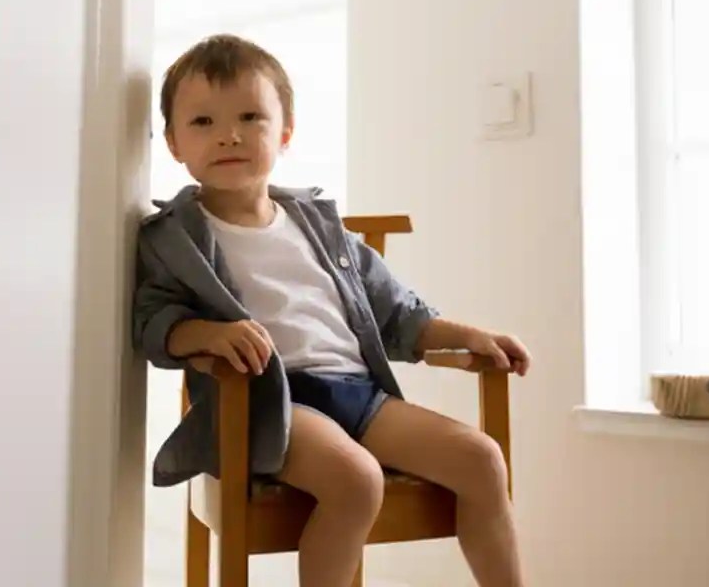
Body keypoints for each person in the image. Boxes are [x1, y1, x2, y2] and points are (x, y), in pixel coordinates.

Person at [133, 34, 531, 587]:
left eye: (251, 116)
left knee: (483, 459)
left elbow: (397, 313)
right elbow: (152, 322)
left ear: (285, 133)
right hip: (271, 403)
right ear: (174, 143)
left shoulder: (317, 225)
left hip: (359, 394)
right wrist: (204, 333)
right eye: (203, 122)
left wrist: (467, 335)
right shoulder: (175, 238)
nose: (229, 135)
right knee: (356, 480)